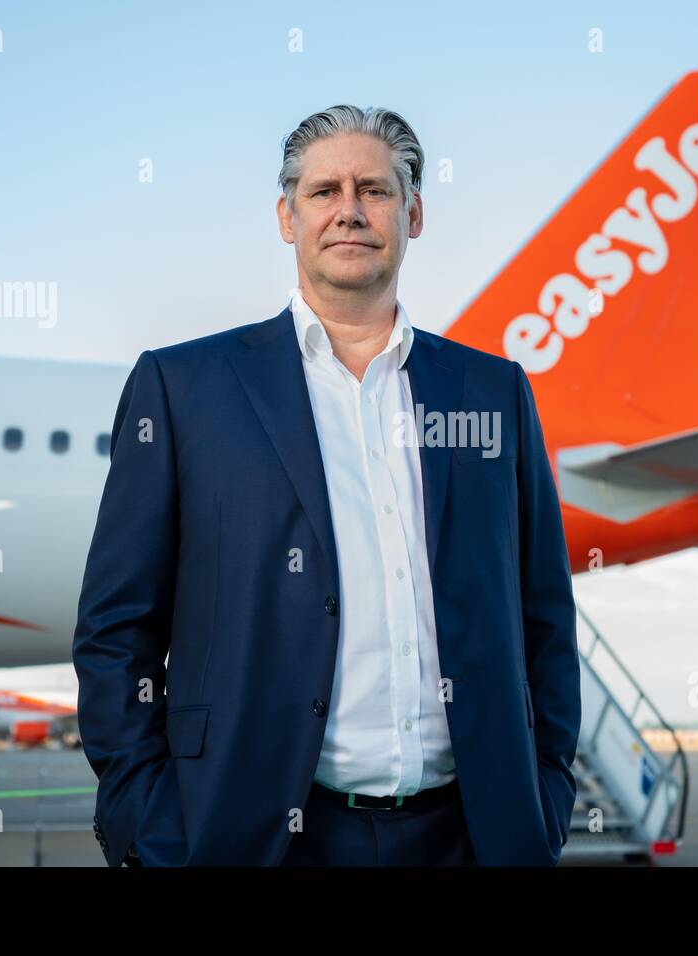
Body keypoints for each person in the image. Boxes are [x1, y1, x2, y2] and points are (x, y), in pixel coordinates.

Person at [73, 104, 580, 866]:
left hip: (473, 836)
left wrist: (545, 796)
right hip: (257, 839)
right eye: (323, 192)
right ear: (287, 216)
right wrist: (149, 817)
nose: (350, 211)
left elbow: (544, 615)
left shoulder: (491, 391)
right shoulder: (184, 388)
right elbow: (117, 629)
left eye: (375, 190)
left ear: (413, 214)